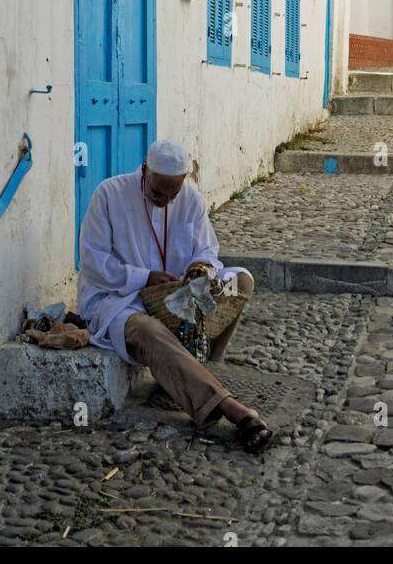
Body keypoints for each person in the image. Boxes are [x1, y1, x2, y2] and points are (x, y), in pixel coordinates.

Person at [77, 140, 273, 453]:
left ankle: (203, 370)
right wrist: (144, 277)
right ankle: (232, 410)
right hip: (120, 300)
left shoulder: (190, 199)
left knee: (240, 282)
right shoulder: (109, 195)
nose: (166, 201)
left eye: (174, 194)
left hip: (176, 297)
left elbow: (208, 249)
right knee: (149, 331)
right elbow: (93, 261)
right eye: (158, 194)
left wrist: (202, 267)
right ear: (144, 172)